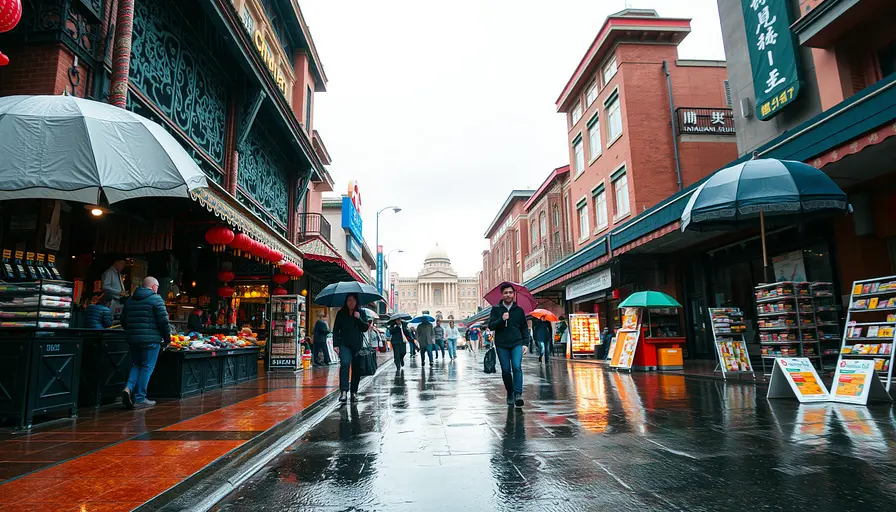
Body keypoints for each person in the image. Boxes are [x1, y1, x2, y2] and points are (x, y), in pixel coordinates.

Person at [120, 277, 169, 410]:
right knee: (147, 366)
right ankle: (140, 398)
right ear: (153, 286)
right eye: (157, 287)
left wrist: (132, 332)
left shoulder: (130, 300)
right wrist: (167, 339)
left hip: (133, 339)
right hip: (151, 340)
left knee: (137, 364)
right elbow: (164, 322)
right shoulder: (156, 299)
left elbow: (123, 320)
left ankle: (128, 388)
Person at [487, 283, 531, 408]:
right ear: (502, 294)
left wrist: (525, 344)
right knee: (506, 370)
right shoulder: (496, 309)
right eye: (506, 292)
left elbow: (524, 328)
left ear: (513, 294)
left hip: (516, 342)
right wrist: (502, 319)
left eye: (510, 292)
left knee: (517, 367)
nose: (508, 295)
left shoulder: (519, 310)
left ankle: (518, 394)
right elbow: (491, 326)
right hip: (502, 344)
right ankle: (510, 392)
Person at [333, 294, 369, 403]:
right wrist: (335, 344)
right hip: (344, 344)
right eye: (349, 301)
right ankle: (344, 391)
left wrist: (359, 319)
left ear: (356, 302)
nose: (351, 303)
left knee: (356, 369)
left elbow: (365, 328)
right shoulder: (341, 313)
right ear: (346, 302)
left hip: (357, 345)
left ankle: (354, 392)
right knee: (344, 364)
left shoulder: (361, 313)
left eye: (353, 301)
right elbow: (335, 330)